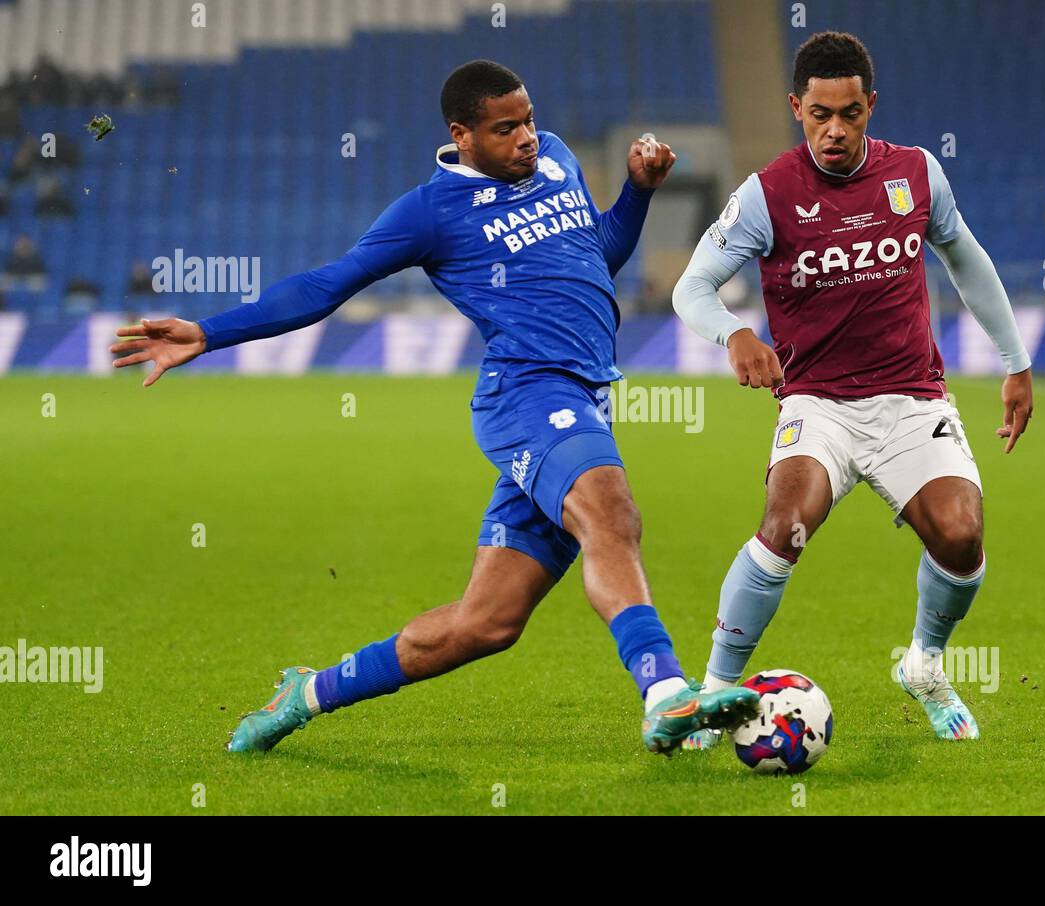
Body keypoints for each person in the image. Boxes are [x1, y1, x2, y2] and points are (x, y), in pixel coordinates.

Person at [110, 60, 760, 756]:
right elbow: (324, 286)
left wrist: (635, 194)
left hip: (585, 398)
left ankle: (306, 692)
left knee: (487, 624)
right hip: (528, 394)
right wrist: (210, 333)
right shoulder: (430, 211)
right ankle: (665, 692)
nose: (527, 138)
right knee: (612, 511)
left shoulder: (559, 161)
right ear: (464, 134)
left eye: (530, 119)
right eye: (505, 129)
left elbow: (595, 255)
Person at [672, 32, 1033, 746]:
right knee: (785, 524)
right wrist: (736, 335)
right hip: (818, 403)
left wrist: (1014, 360)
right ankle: (713, 694)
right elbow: (692, 288)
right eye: (818, 114)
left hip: (911, 398)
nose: (833, 130)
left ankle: (924, 665)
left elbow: (965, 256)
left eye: (849, 114)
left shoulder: (917, 175)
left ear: (871, 106)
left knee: (961, 538)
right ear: (795, 108)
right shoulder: (767, 195)